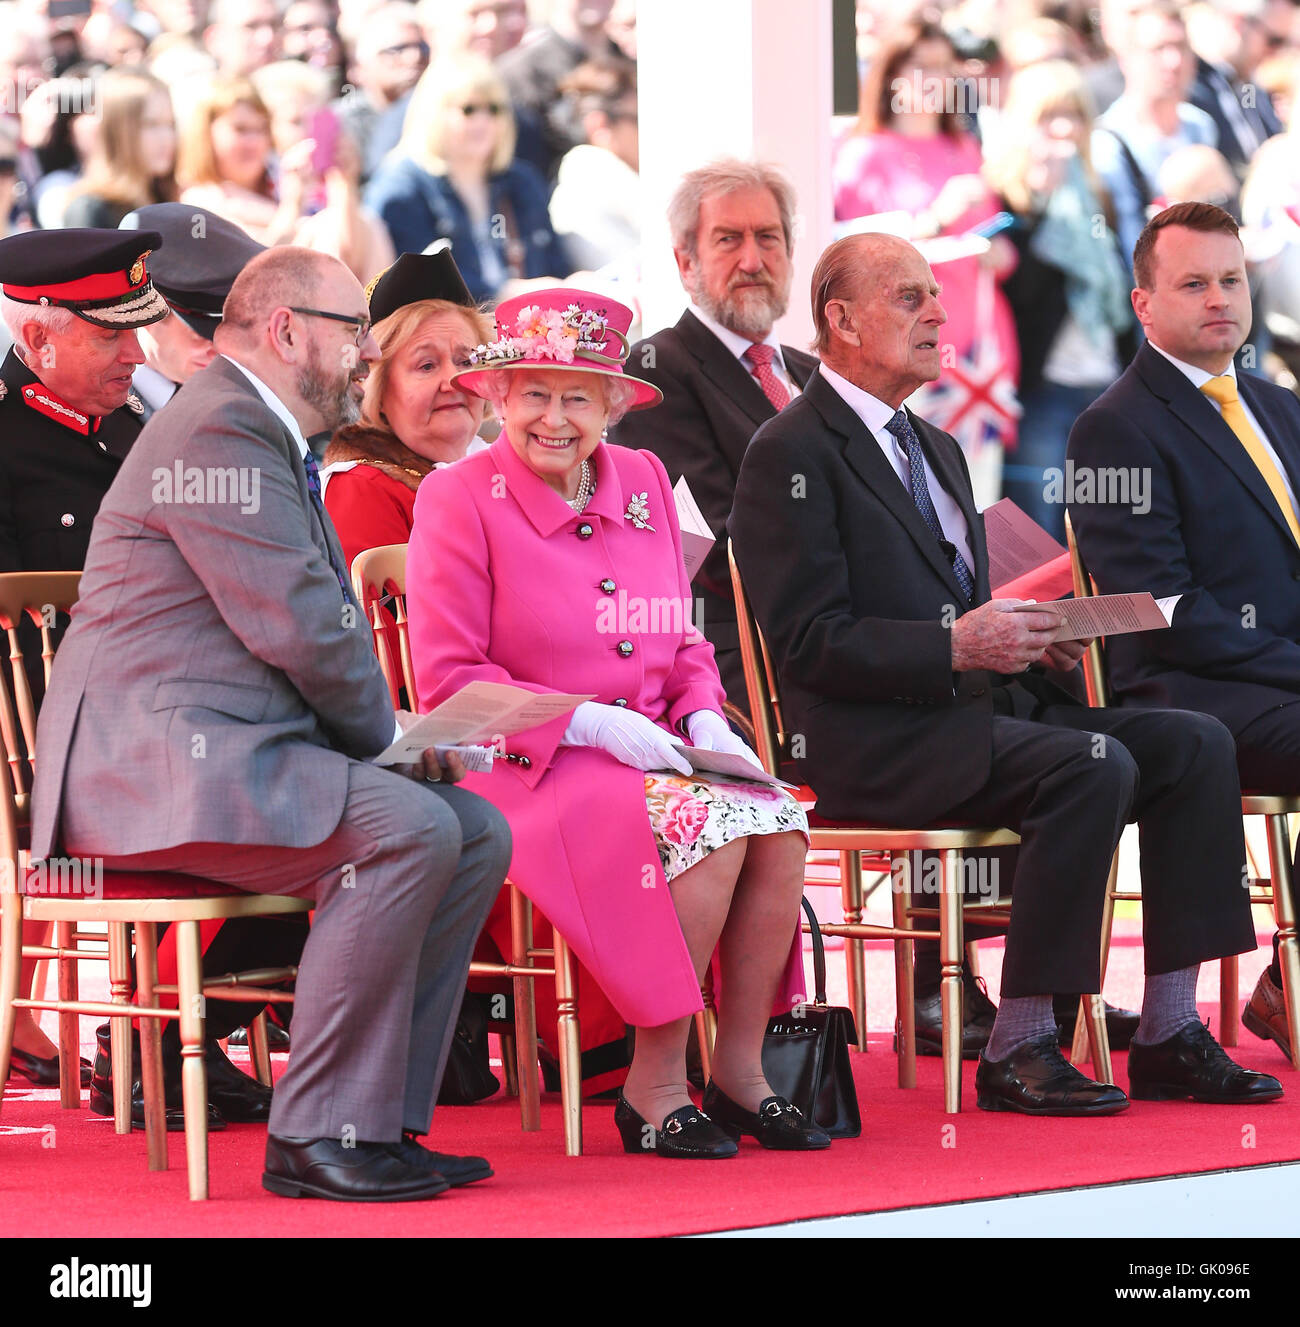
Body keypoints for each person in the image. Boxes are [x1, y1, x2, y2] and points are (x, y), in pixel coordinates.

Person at [730, 231, 1281, 1115]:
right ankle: (1020, 1046)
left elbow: (967, 616)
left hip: (979, 709)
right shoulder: (790, 451)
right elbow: (808, 644)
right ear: (840, 319)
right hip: (867, 741)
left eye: (935, 296)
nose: (940, 312)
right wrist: (958, 644)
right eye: (910, 298)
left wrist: (1036, 636)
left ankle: (1173, 1032)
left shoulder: (939, 447)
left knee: (1193, 741)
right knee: (1090, 765)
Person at [30, 245, 512, 1201]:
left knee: (476, 829)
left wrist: (398, 746)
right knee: (411, 825)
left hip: (225, 750)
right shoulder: (223, 430)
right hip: (148, 768)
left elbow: (299, 629)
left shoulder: (261, 427)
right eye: (355, 339)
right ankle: (317, 1132)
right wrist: (390, 748)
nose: (366, 361)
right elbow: (301, 622)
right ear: (287, 330)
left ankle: (379, 1122)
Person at [407, 286, 828, 1156]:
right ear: (497, 395)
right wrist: (586, 722)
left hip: (656, 749)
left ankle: (742, 1074)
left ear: (610, 405)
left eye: (576, 397)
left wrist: (707, 717)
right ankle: (655, 1082)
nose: (554, 419)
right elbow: (449, 681)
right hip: (522, 761)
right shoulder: (458, 498)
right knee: (712, 822)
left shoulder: (639, 478)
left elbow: (679, 634)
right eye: (533, 393)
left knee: (781, 818)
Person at [1067, 201, 1300, 1060]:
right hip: (1191, 693)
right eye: (1193, 283)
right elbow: (1159, 611)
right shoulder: (1113, 427)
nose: (1219, 300)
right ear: (1144, 303)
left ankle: (1286, 982)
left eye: (1231, 279)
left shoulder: (1280, 409)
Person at [0, 227, 165, 1094]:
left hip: (148, 715)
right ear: (39, 339)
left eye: (135, 331)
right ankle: (156, 1038)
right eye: (110, 336)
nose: (135, 353)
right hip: (46, 740)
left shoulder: (139, 428)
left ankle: (181, 1027)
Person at [609, 160, 816, 716]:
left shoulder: (812, 373)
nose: (753, 260)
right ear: (686, 263)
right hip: (749, 659)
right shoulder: (656, 371)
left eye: (768, 237)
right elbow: (722, 550)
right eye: (729, 239)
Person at [832, 16, 1020, 484]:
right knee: (916, 498)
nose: (934, 80)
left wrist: (998, 255)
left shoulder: (963, 147)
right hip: (902, 353)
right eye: (921, 66)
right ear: (892, 74)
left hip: (976, 351)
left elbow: (999, 245)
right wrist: (934, 219)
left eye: (943, 67)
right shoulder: (861, 153)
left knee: (978, 498)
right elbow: (849, 253)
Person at [986, 59, 1136, 540]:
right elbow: (1021, 300)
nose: (1064, 128)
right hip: (1041, 392)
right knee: (1038, 532)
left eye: (1074, 115)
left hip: (1105, 385)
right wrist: (1043, 206)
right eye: (1050, 115)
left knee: (1108, 528)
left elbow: (1120, 297)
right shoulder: (1008, 200)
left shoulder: (1098, 195)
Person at [322, 248, 491, 575]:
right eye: (427, 365)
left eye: (465, 361)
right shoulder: (362, 489)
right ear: (380, 390)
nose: (452, 381)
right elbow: (387, 623)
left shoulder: (501, 466)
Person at [364, 52, 569, 304]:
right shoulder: (401, 186)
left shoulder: (521, 180)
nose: (483, 121)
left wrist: (573, 287)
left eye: (494, 109)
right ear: (435, 112)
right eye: (469, 109)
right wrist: (504, 295)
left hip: (524, 335)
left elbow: (555, 264)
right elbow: (415, 282)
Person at [1091, 2, 1219, 267]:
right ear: (1127, 59)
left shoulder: (1200, 125)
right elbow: (1128, 248)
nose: (1174, 62)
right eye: (1159, 49)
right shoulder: (1109, 142)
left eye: (1181, 47)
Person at [119, 201, 264, 419]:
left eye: (237, 329)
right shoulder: (101, 415)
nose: (220, 346)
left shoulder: (247, 397)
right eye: (202, 331)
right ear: (143, 312)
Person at [177, 76, 311, 248]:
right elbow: (255, 262)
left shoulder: (281, 181)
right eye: (241, 129)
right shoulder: (199, 201)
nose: (254, 142)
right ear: (206, 135)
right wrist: (293, 206)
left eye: (261, 129)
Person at [62, 69, 179, 230]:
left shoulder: (167, 202)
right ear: (117, 130)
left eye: (170, 124)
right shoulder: (90, 210)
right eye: (151, 124)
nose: (167, 138)